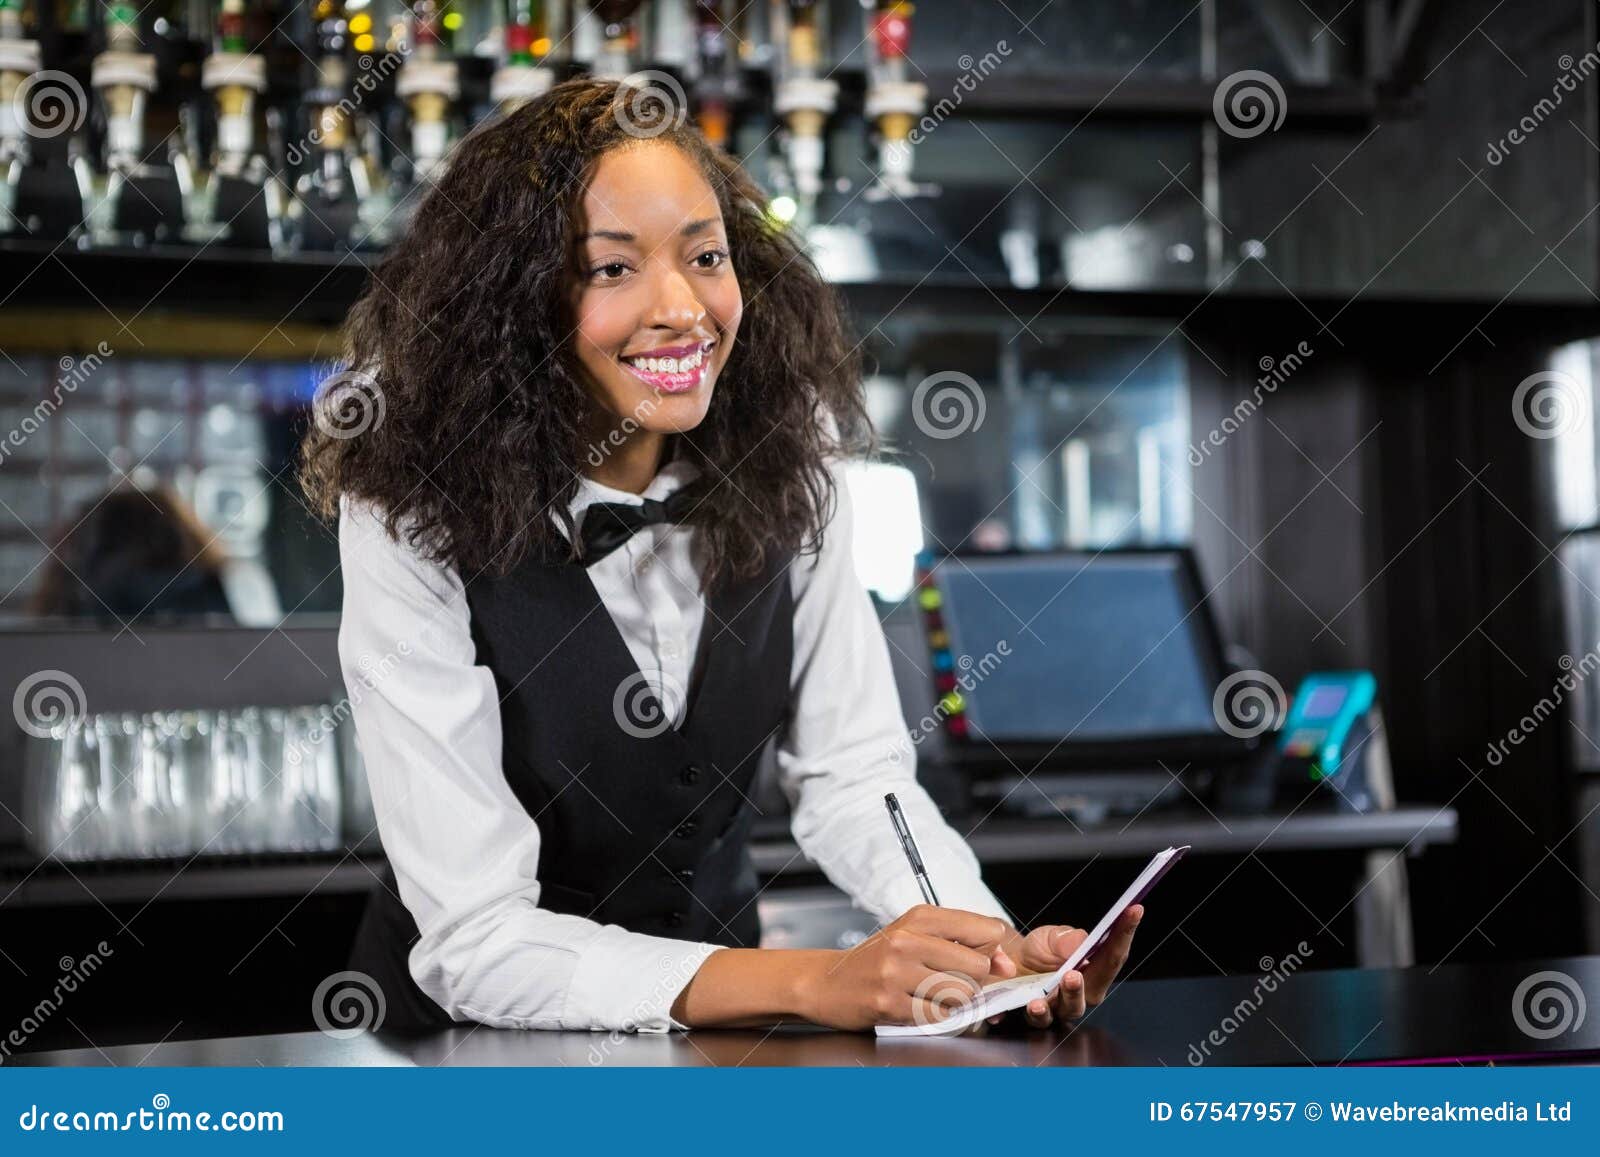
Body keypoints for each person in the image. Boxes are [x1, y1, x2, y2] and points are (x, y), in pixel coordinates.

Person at [299, 78, 1143, 1034]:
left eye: (705, 255)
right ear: (510, 303)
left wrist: (987, 958)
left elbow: (856, 775)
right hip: (463, 1058)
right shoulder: (409, 506)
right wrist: (808, 982)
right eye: (611, 269)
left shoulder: (791, 457)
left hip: (717, 1052)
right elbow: (478, 936)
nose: (683, 309)